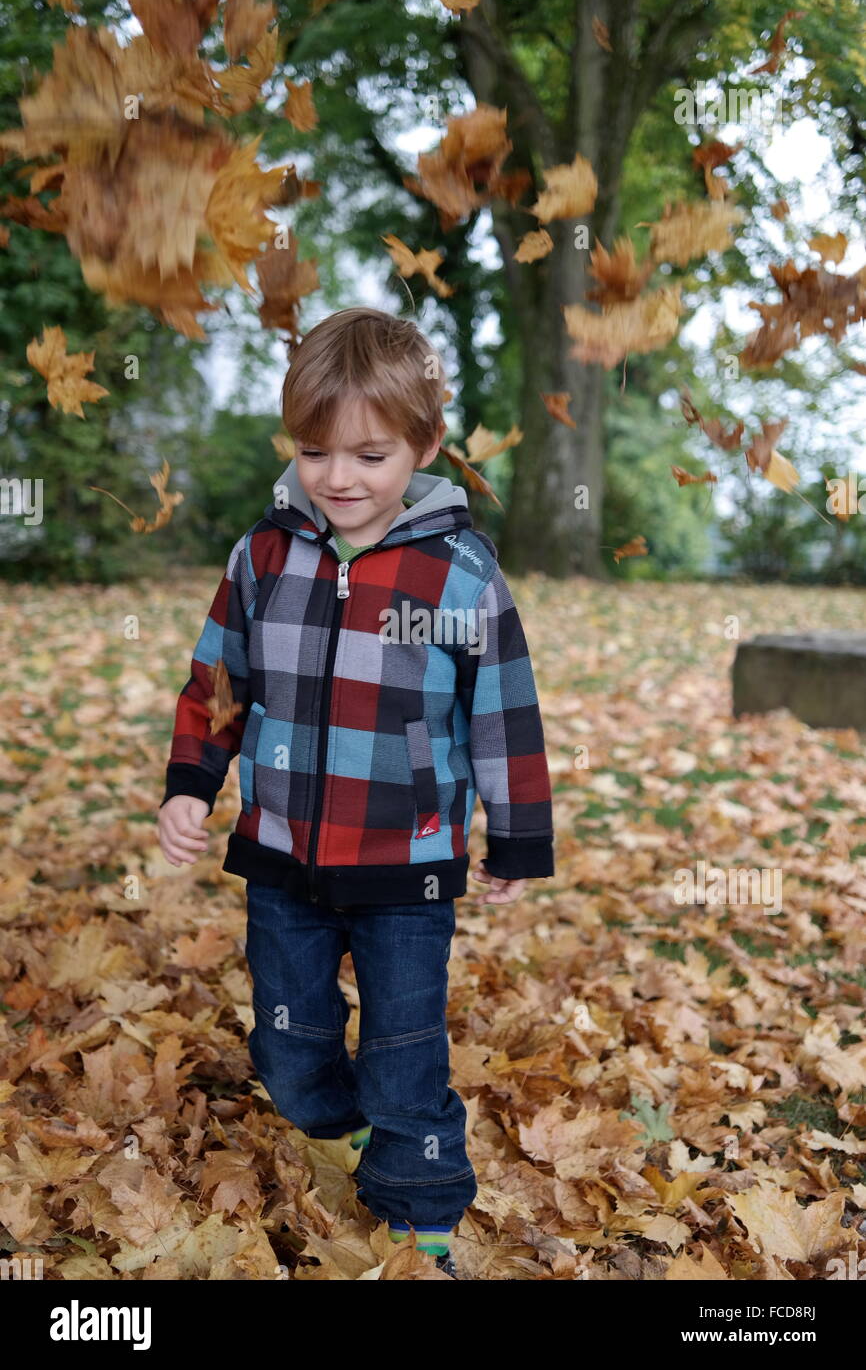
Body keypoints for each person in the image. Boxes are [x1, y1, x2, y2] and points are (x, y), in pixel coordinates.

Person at [157, 306, 555, 1276]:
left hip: (407, 866)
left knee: (404, 1053)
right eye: (314, 452)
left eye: (370, 456)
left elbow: (503, 710)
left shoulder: (458, 574)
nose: (338, 478)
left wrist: (516, 836)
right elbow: (218, 682)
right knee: (289, 1048)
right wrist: (190, 786)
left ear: (424, 447)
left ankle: (420, 1217)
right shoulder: (262, 557)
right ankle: (328, 1126)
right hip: (281, 856)